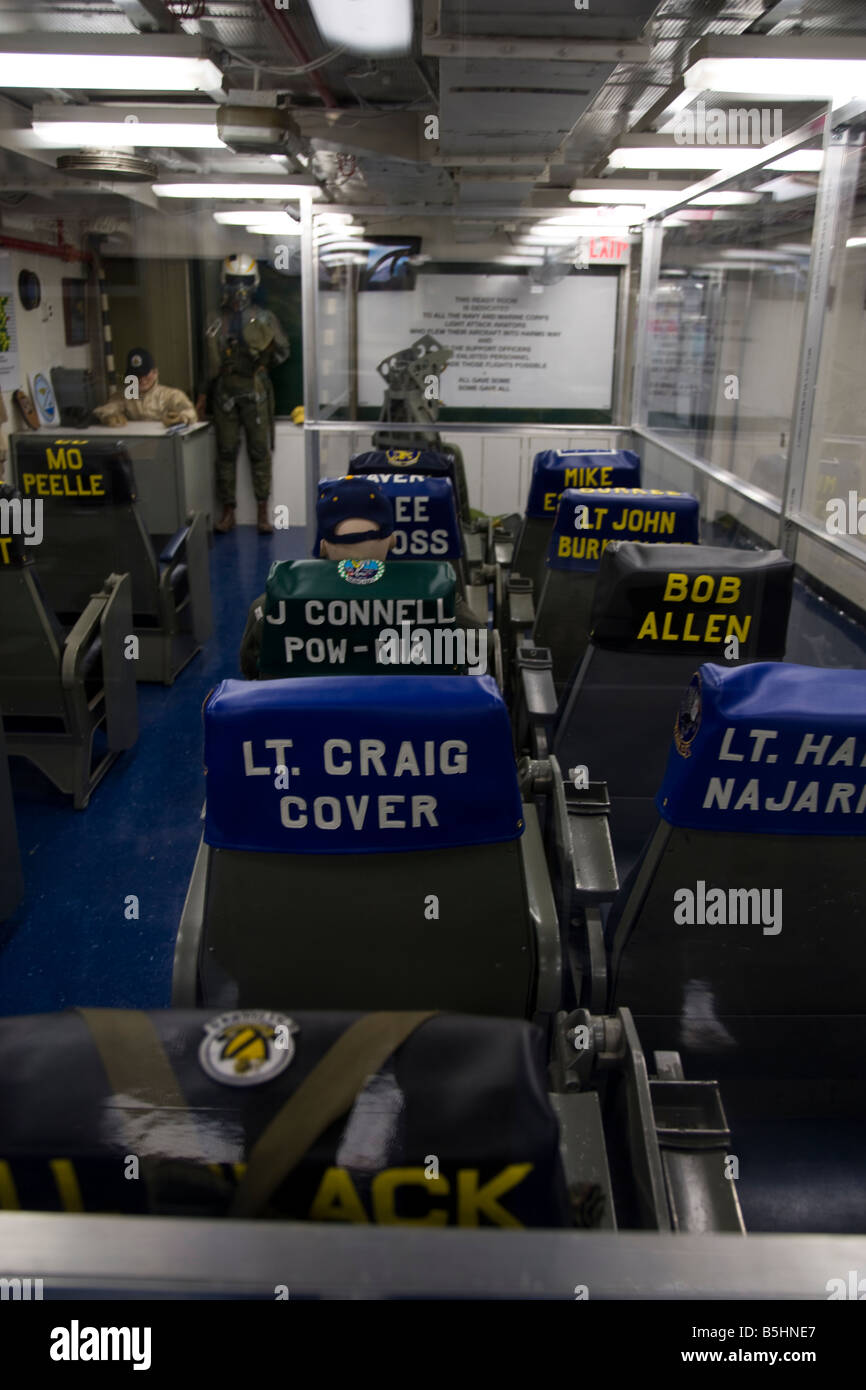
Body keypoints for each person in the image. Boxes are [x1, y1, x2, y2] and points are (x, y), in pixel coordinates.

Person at [239, 475, 482, 677]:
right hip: (415, 729)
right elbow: (482, 648)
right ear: (393, 541)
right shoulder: (438, 599)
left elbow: (252, 670)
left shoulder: (272, 607)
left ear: (323, 545)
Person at [198, 254, 289, 537]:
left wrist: (263, 362)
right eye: (235, 281)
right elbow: (209, 363)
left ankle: (263, 511)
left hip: (255, 389)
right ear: (225, 282)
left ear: (254, 284)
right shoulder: (215, 320)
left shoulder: (265, 318)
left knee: (259, 451)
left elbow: (283, 351)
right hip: (225, 389)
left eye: (245, 282)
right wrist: (202, 397)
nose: (240, 288)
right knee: (225, 451)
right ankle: (229, 512)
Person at [93, 348, 197, 428]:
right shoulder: (125, 395)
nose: (142, 379)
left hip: (165, 447)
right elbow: (106, 409)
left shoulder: (171, 395)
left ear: (155, 373)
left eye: (145, 374)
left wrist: (181, 418)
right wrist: (108, 416)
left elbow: (190, 412)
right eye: (137, 375)